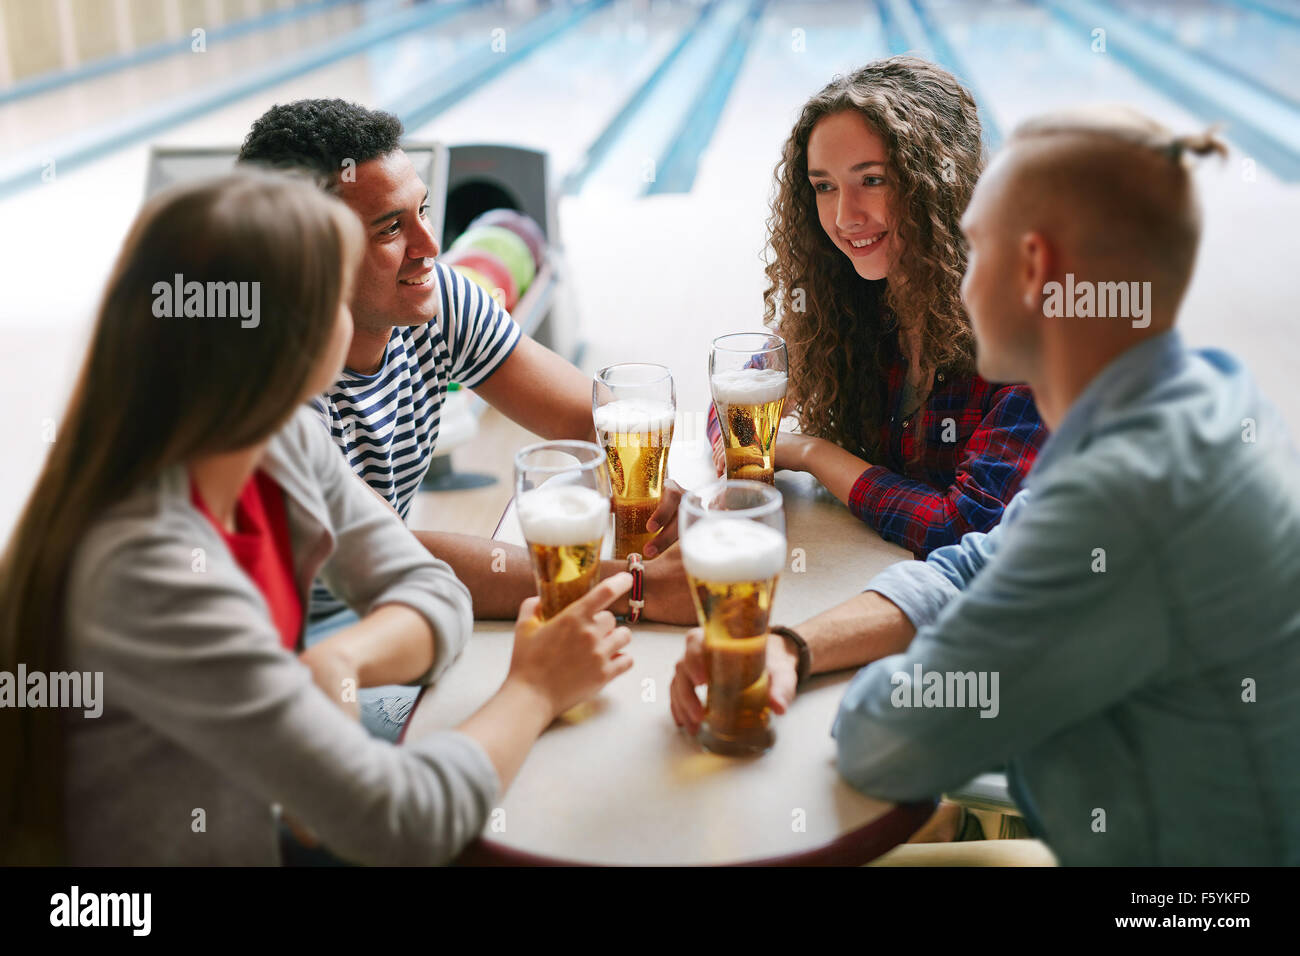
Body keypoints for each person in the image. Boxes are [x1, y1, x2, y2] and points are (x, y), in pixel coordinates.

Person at [680, 106, 1300, 864]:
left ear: (1032, 267)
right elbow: (976, 563)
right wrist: (790, 647)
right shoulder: (1198, 401)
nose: (954, 278)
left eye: (972, 248)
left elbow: (882, 743)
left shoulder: (1128, 497)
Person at [0, 169, 635, 865]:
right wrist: (535, 689)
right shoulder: (150, 575)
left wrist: (341, 657)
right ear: (284, 340)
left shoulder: (277, 442)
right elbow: (399, 823)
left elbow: (431, 587)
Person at [238, 99, 692, 740]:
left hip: (389, 617)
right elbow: (394, 555)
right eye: (389, 229)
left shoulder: (432, 296)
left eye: (422, 210)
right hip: (286, 662)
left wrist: (662, 488)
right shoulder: (266, 392)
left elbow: (593, 417)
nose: (429, 246)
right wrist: (632, 587)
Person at [709, 57, 1046, 558]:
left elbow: (963, 529)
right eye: (824, 186)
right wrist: (742, 426)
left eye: (872, 180)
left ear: (940, 183)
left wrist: (811, 453)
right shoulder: (853, 299)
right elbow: (738, 400)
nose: (846, 217)